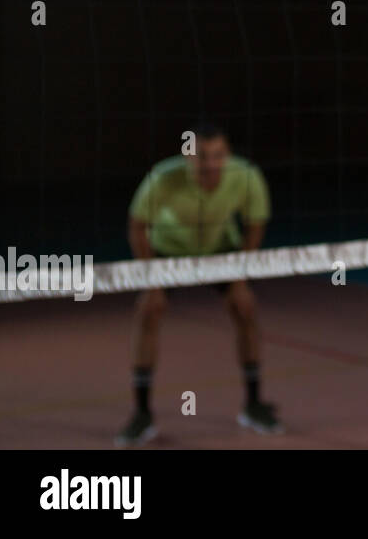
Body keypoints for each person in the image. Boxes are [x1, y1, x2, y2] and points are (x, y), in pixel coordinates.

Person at [116, 123, 280, 447]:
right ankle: (142, 413)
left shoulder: (246, 176)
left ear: (228, 154)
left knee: (245, 307)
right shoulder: (162, 178)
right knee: (148, 310)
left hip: (220, 251)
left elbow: (254, 226)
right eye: (202, 156)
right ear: (187, 156)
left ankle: (253, 404)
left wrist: (239, 277)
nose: (210, 164)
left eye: (218, 155)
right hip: (168, 252)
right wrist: (152, 281)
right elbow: (137, 227)